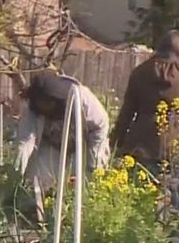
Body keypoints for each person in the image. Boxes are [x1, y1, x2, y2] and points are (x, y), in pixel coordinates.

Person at [110, 30, 179, 209]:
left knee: (142, 200)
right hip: (178, 147)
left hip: (142, 144)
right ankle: (178, 223)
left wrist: (116, 141)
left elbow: (127, 111)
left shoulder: (140, 73)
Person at [16, 72, 110, 217]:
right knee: (40, 175)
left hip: (84, 143)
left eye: (46, 104)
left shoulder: (82, 100)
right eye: (40, 104)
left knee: (83, 181)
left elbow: (100, 125)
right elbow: (24, 142)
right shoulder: (33, 108)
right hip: (51, 144)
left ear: (54, 100)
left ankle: (79, 215)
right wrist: (16, 175)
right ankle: (42, 213)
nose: (43, 107)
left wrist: (93, 166)